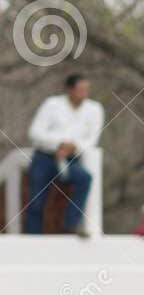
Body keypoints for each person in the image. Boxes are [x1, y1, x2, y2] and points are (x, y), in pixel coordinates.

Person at [24, 72, 104, 236]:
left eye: (86, 89)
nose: (84, 93)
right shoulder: (52, 104)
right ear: (69, 89)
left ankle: (70, 225)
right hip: (45, 157)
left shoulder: (94, 109)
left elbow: (92, 139)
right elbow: (35, 132)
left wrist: (72, 147)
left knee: (84, 178)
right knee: (36, 199)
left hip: (71, 158)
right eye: (80, 89)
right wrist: (59, 144)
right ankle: (33, 236)